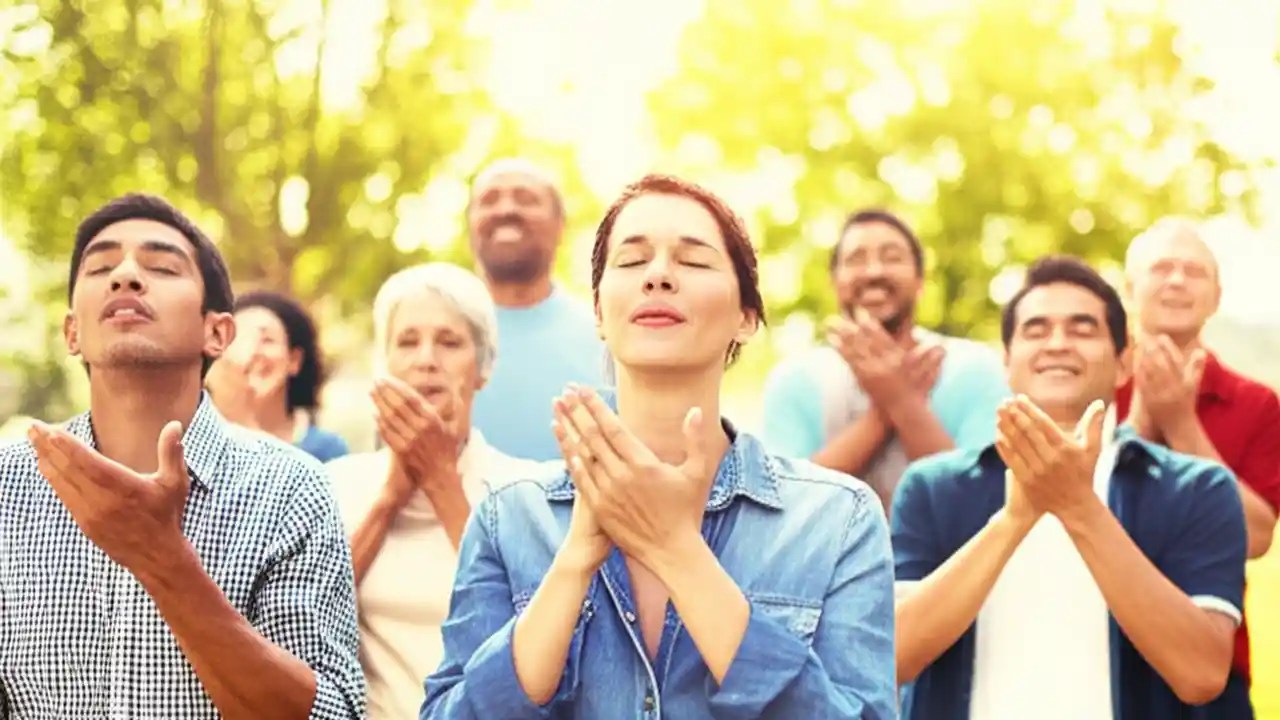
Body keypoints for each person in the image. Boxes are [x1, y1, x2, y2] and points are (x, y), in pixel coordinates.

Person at [421, 174, 896, 719]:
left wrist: (678, 550)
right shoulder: (509, 517)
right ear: (598, 312)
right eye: (631, 261)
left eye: (693, 261)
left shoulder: (837, 519)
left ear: (746, 318)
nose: (659, 276)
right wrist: (574, 561)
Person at [0, 194, 364, 718]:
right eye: (102, 266)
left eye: (162, 266)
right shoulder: (11, 486)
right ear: (72, 331)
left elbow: (333, 714)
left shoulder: (291, 489)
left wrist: (161, 558)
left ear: (217, 332)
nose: (124, 276)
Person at [892, 256, 1246, 719]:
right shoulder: (933, 488)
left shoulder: (1195, 489)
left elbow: (1200, 674)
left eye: (1082, 329)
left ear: (1124, 364)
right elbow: (892, 654)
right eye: (1036, 330)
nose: (1057, 344)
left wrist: (1079, 506)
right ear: (1007, 361)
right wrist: (1015, 520)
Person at [324, 262, 546, 720]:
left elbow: (534, 635)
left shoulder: (526, 489)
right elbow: (310, 620)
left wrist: (441, 480)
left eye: (450, 342)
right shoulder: (336, 483)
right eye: (407, 342)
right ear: (385, 366)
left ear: (483, 368)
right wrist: (389, 500)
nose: (427, 359)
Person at [1119, 217, 1279, 716]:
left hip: (1213, 663)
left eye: (1194, 271)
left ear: (1216, 297)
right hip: (1096, 646)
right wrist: (1143, 419)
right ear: (1130, 288)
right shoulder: (1091, 385)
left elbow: (1255, 537)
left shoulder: (1256, 404)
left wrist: (1182, 424)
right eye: (1161, 268)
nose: (1176, 281)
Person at [762, 210, 1009, 513]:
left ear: (920, 281)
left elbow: (978, 502)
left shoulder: (974, 367)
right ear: (835, 282)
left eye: (892, 257)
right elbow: (785, 503)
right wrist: (887, 407)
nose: (874, 271)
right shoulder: (795, 379)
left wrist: (902, 401)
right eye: (856, 259)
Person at [466, 157, 605, 461]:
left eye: (526, 199)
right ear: (470, 225)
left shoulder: (606, 338)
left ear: (560, 226)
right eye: (489, 200)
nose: (506, 210)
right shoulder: (427, 341)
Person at [206, 290, 350, 462]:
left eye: (267, 340)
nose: (252, 352)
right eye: (239, 339)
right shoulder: (200, 442)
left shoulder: (326, 450)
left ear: (294, 360)